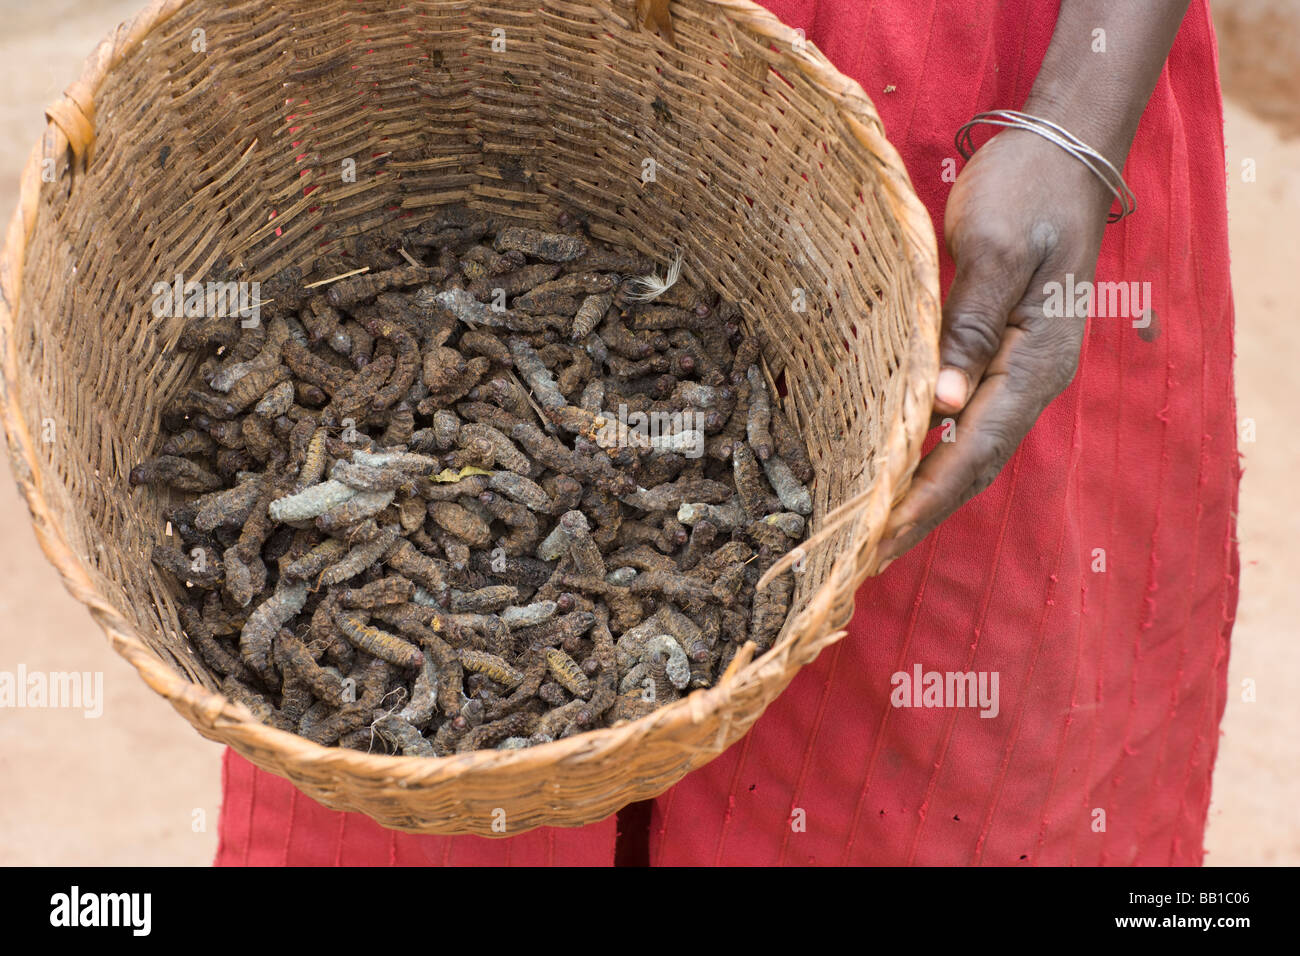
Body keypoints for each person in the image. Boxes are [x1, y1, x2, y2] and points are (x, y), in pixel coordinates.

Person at [217, 0, 1238, 866]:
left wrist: (1073, 130)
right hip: (480, 70)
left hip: (965, 106)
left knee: (921, 773)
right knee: (408, 795)